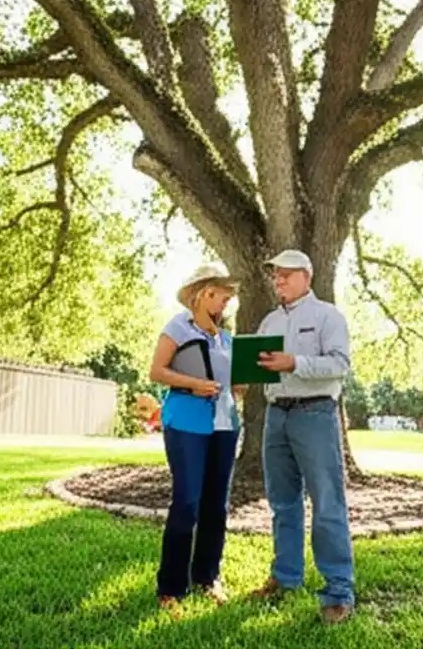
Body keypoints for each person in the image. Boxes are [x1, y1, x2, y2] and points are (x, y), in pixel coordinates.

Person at [250, 249, 356, 624]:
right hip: (276, 416)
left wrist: (295, 363)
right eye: (275, 276)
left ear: (306, 277)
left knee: (327, 502)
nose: (278, 281)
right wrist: (245, 373)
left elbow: (340, 364)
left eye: (285, 275)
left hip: (316, 414)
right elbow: (260, 367)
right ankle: (285, 577)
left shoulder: (328, 316)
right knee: (282, 501)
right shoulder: (268, 322)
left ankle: (338, 591)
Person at [147, 262, 242, 613]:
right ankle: (170, 587)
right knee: (187, 502)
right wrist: (194, 384)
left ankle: (207, 577)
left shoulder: (227, 339)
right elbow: (157, 371)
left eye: (230, 299)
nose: (226, 305)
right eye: (223, 297)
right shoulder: (177, 327)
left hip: (225, 425)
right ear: (204, 294)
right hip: (186, 422)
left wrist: (241, 384)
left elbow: (233, 384)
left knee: (217, 505)